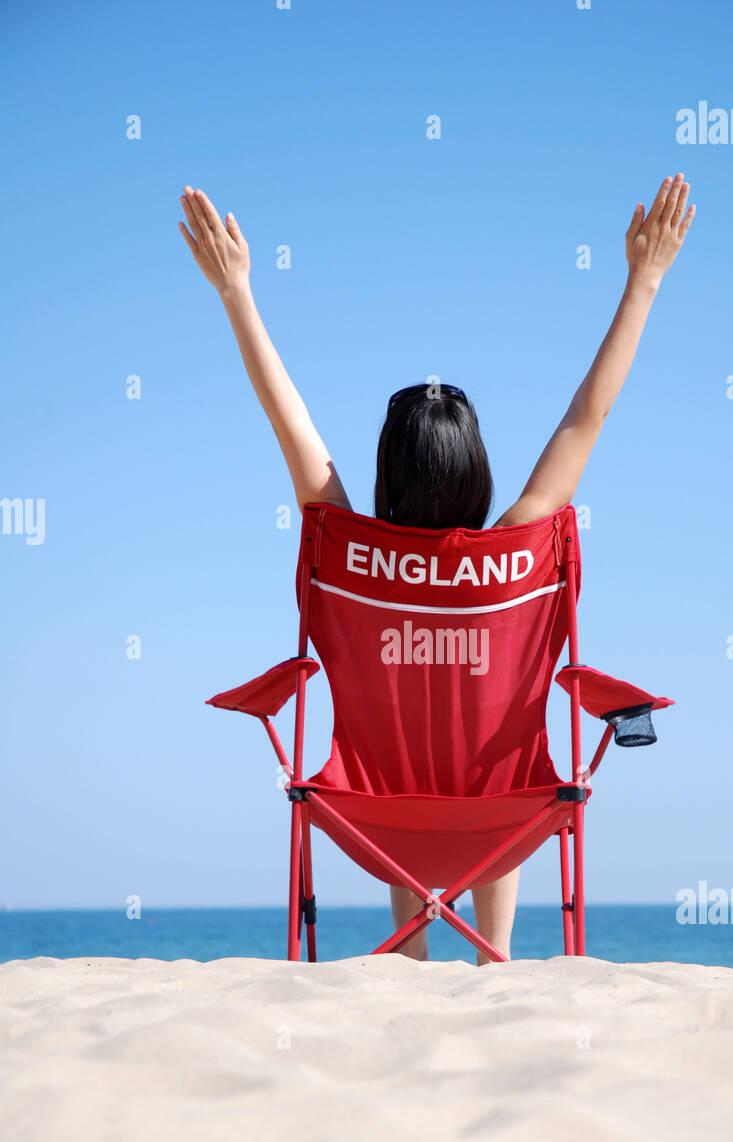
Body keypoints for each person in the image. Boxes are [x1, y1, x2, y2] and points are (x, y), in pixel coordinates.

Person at [179, 175, 695, 963]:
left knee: (403, 756)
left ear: (386, 474)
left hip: (377, 818)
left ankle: (414, 948)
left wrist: (236, 292)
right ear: (477, 471)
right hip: (508, 819)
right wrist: (645, 280)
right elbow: (588, 415)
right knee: (492, 765)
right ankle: (496, 954)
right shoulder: (522, 543)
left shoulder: (349, 548)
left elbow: (288, 417)